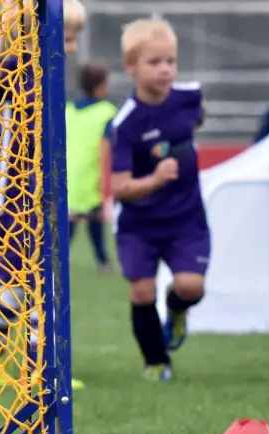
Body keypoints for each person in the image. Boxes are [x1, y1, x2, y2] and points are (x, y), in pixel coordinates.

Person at [0, 0, 87, 390]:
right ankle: (39, 371)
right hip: (14, 193)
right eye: (66, 37)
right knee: (38, 283)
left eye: (74, 39)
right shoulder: (19, 67)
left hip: (40, 192)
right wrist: (6, 14)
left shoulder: (49, 72)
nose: (71, 47)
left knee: (19, 285)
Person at [108, 18, 209, 382]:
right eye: (155, 62)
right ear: (131, 66)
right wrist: (155, 179)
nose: (166, 69)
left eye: (171, 61)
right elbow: (119, 187)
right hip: (140, 225)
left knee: (190, 287)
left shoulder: (189, 98)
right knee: (141, 291)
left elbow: (194, 119)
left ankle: (177, 310)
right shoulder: (125, 124)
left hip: (186, 218)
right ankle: (156, 361)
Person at [66, 61, 116, 273]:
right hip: (90, 171)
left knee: (75, 214)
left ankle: (99, 258)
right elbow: (106, 146)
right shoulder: (107, 111)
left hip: (68, 171)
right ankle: (101, 260)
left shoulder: (67, 110)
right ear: (100, 86)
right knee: (87, 215)